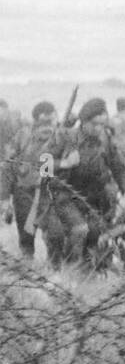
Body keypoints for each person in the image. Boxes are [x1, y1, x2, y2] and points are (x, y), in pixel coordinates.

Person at [42, 98, 125, 268]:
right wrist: (65, 163)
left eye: (101, 124)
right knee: (79, 229)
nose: (98, 128)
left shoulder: (106, 139)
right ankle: (71, 271)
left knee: (96, 234)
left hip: (95, 198)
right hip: (66, 196)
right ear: (83, 122)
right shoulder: (66, 136)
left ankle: (86, 270)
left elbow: (119, 168)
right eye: (94, 124)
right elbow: (41, 164)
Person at [3, 101, 56, 259]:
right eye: (45, 120)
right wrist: (5, 198)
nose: (48, 125)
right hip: (24, 194)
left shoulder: (59, 136)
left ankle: (55, 271)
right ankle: (29, 269)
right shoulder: (22, 137)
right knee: (26, 238)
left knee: (54, 235)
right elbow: (8, 166)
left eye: (50, 121)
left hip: (49, 195)